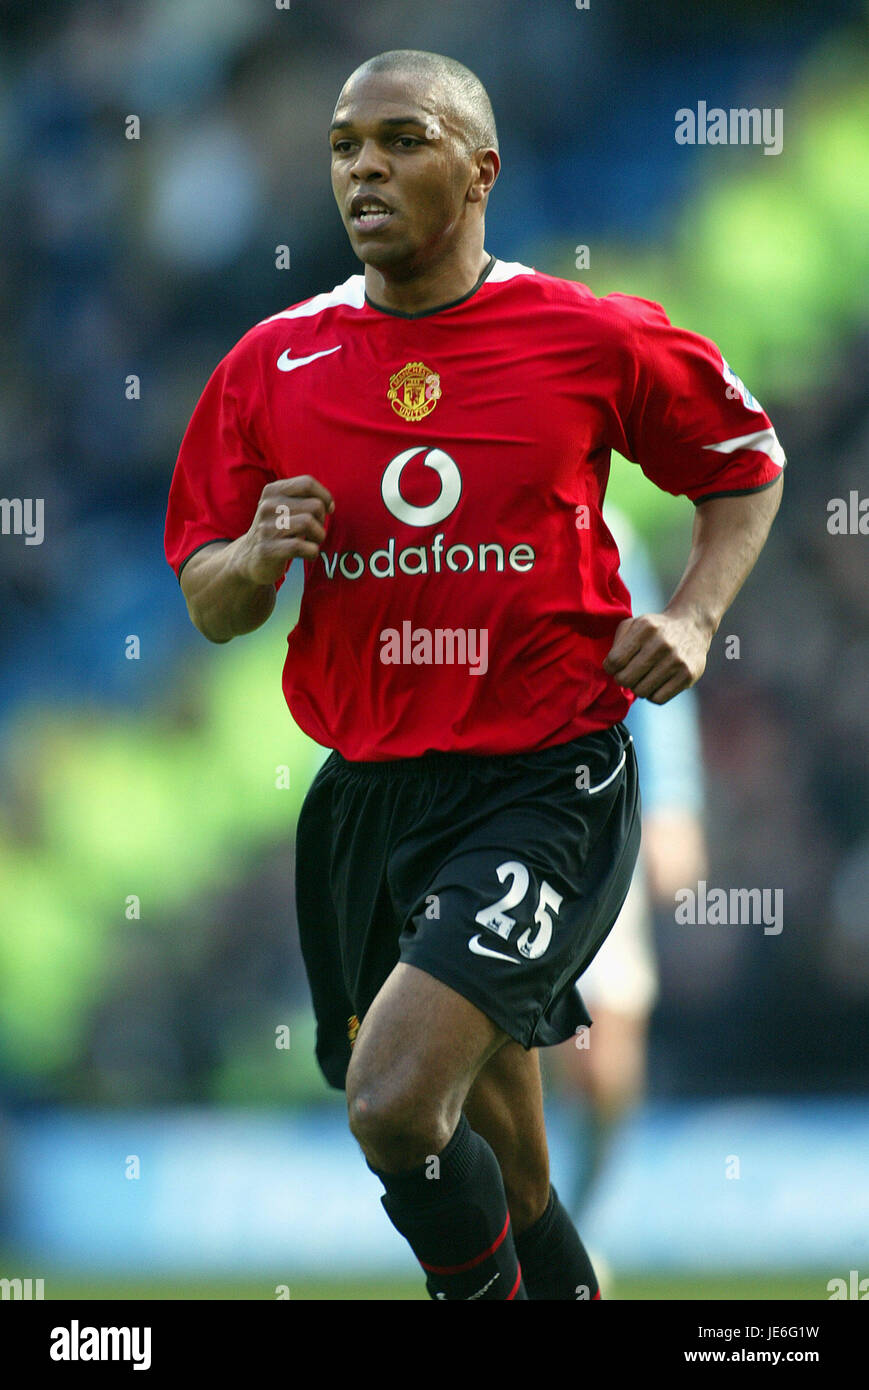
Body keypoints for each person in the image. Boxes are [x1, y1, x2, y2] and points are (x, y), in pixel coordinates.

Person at [164, 49, 785, 1300]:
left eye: (400, 139)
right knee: (512, 1175)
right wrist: (256, 553)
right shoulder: (270, 364)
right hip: (368, 800)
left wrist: (695, 617)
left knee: (392, 1105)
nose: (363, 169)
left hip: (543, 782)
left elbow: (743, 458)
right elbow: (210, 600)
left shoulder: (584, 336)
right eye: (344, 146)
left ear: (480, 168)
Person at [545, 505, 708, 1229]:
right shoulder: (445, 519)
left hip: (591, 825)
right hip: (473, 815)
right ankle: (520, 1230)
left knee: (600, 1057)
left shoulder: (601, 525)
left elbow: (655, 656)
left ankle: (583, 1220)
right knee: (492, 1043)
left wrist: (672, 801)